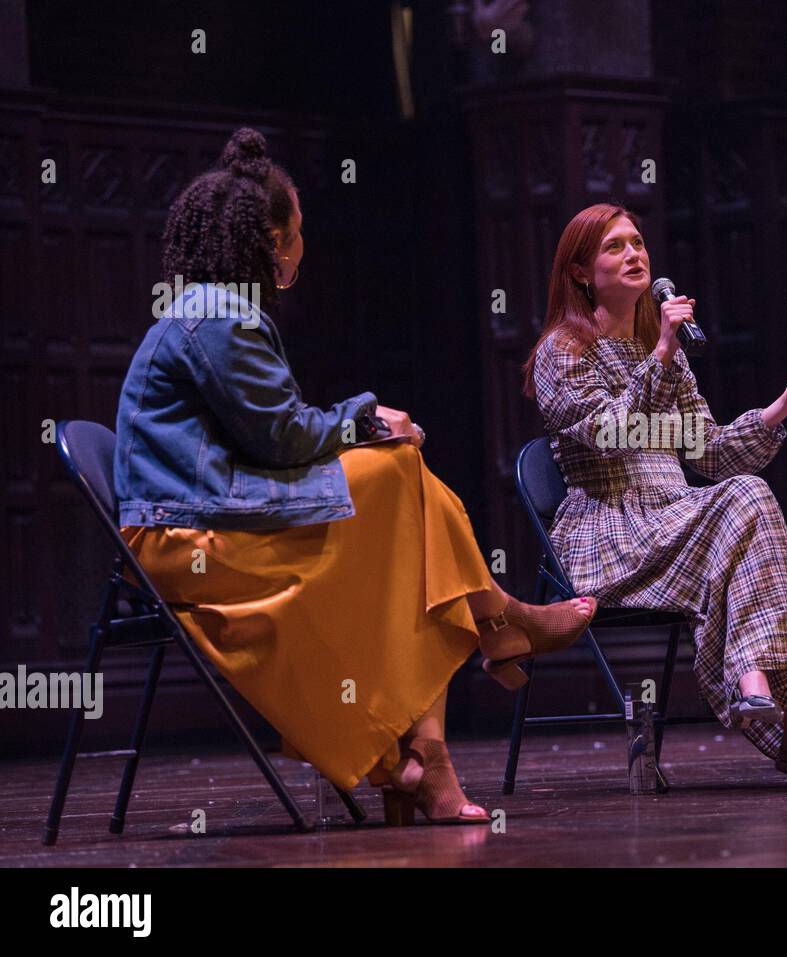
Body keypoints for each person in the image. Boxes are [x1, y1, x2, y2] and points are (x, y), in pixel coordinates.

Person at [114, 127, 596, 825]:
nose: (303, 244)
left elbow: (273, 439)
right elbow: (282, 437)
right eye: (299, 229)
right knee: (401, 476)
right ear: (272, 241)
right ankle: (496, 620)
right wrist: (367, 418)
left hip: (209, 516)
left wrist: (364, 425)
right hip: (183, 540)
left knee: (410, 543)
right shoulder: (218, 317)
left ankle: (429, 752)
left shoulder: (211, 311)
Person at [523, 202, 787, 787]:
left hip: (676, 523)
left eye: (637, 242)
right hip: (607, 533)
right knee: (743, 505)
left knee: (746, 493)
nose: (635, 254)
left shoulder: (669, 357)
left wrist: (786, 402)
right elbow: (611, 434)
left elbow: (712, 453)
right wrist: (660, 354)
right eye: (614, 247)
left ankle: (761, 684)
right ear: (581, 272)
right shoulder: (564, 351)